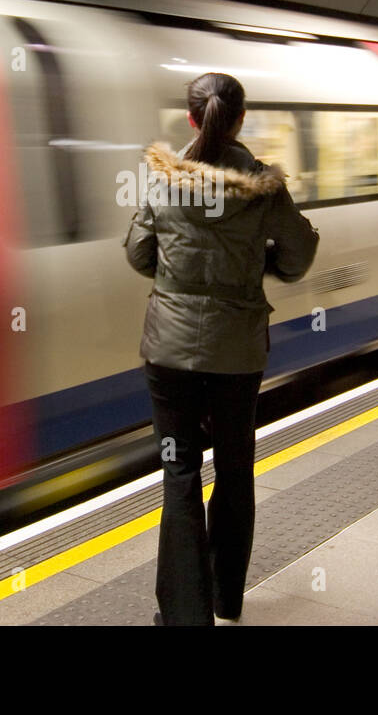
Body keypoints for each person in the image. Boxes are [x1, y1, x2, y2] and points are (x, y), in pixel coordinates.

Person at [123, 72, 318, 626]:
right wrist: (265, 264)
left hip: (170, 351)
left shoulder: (163, 180)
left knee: (178, 470)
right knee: (234, 468)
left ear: (192, 119)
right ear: (239, 120)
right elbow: (300, 251)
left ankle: (184, 616)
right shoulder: (264, 186)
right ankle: (224, 598)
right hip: (237, 353)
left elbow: (140, 254)